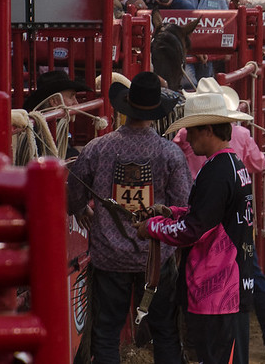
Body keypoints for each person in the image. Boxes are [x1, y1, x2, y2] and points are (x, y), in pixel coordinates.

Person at [67, 71, 190, 363]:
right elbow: (183, 204)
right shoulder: (169, 154)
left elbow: (73, 193)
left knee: (107, 331)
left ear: (126, 107)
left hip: (110, 256)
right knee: (165, 331)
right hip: (155, 256)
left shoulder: (98, 148)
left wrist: (82, 208)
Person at [135, 91, 255, 364]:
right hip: (225, 286)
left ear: (208, 130)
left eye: (191, 130)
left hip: (218, 289)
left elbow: (194, 230)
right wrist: (172, 213)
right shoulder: (231, 165)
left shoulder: (216, 171)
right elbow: (208, 217)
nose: (186, 137)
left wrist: (152, 226)